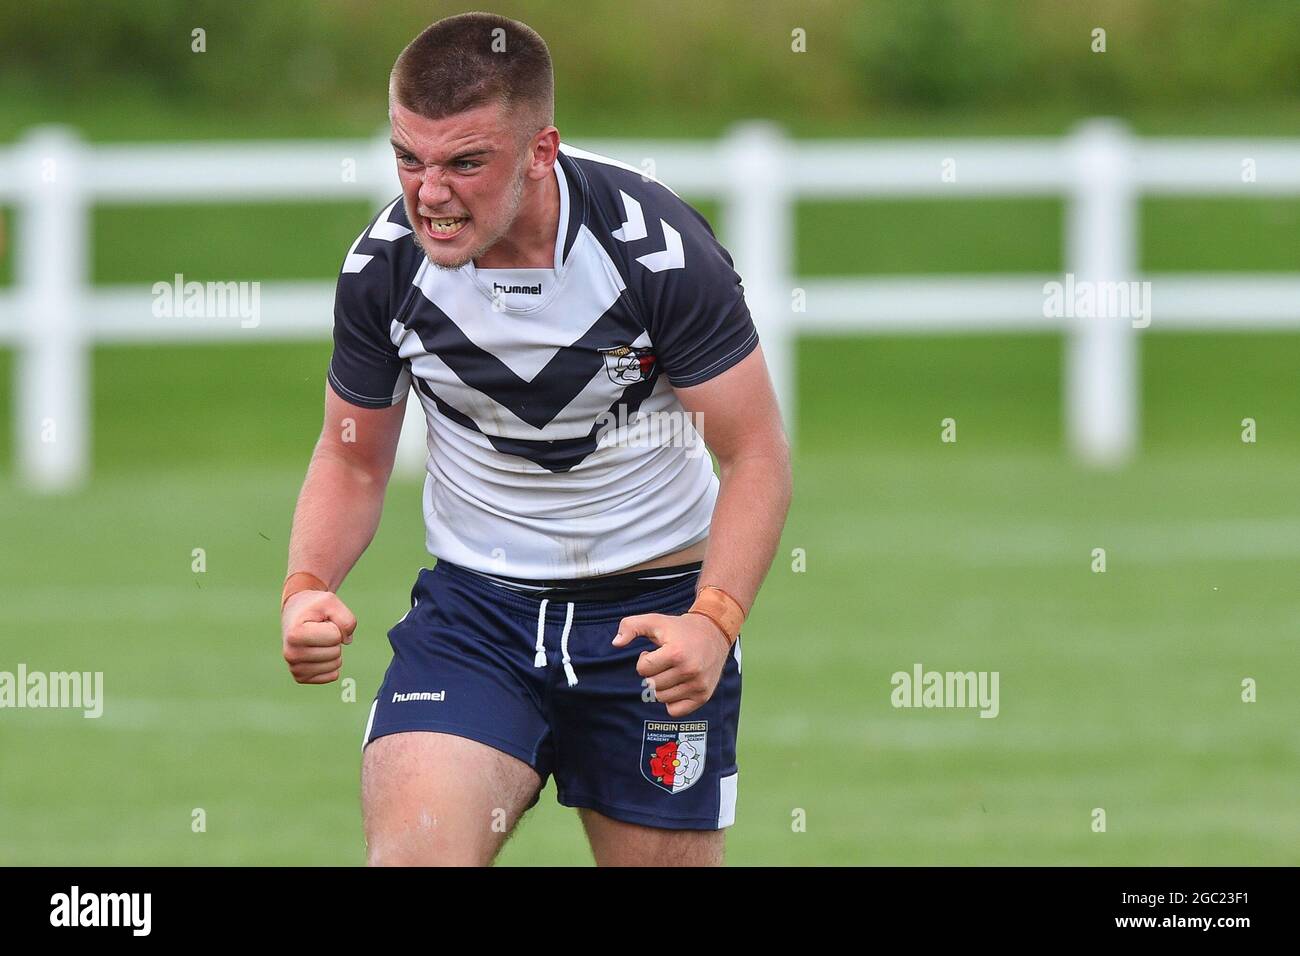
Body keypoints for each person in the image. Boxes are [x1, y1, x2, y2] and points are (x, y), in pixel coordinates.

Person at [280, 12, 791, 866]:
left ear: (540, 152)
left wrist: (714, 621)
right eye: (408, 158)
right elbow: (352, 458)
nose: (429, 195)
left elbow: (755, 454)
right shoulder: (384, 268)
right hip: (476, 618)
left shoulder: (656, 253)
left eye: (464, 163)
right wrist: (305, 587)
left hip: (653, 619)